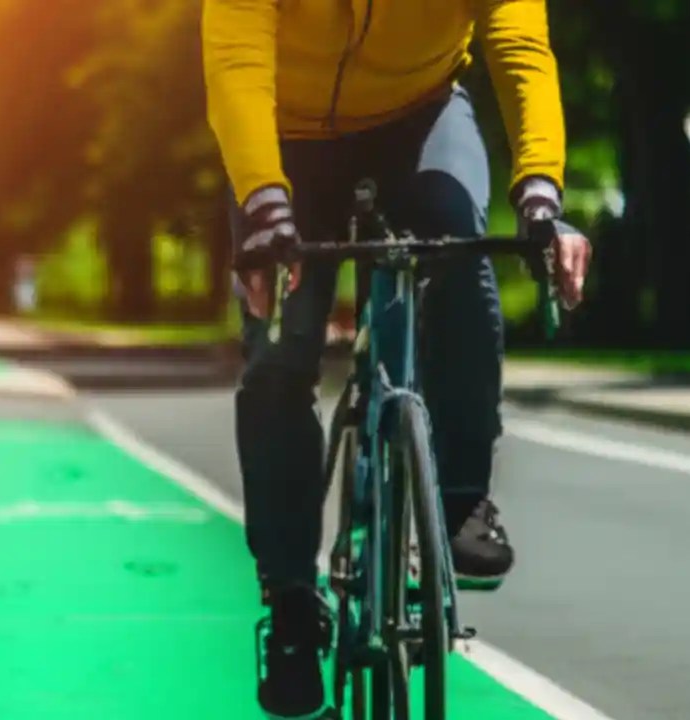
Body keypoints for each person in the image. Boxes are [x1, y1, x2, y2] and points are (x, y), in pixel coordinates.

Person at [201, 1, 593, 718]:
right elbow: (236, 60)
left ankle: (462, 494)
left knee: (460, 261)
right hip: (287, 133)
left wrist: (540, 189)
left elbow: (518, 40)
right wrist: (263, 204)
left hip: (421, 114)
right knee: (278, 355)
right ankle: (291, 600)